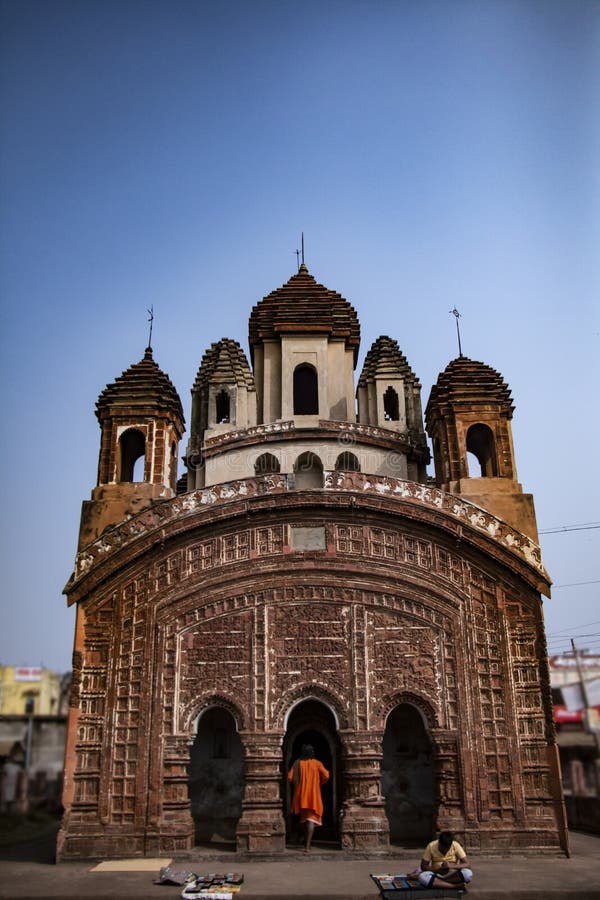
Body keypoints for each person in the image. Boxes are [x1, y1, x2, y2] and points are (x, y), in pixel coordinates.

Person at [287, 744, 329, 852]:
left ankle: (304, 840)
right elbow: (326, 775)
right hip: (313, 796)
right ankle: (307, 846)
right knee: (311, 820)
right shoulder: (317, 763)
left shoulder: (297, 763)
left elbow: (290, 777)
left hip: (300, 796)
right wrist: (319, 782)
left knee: (304, 819)